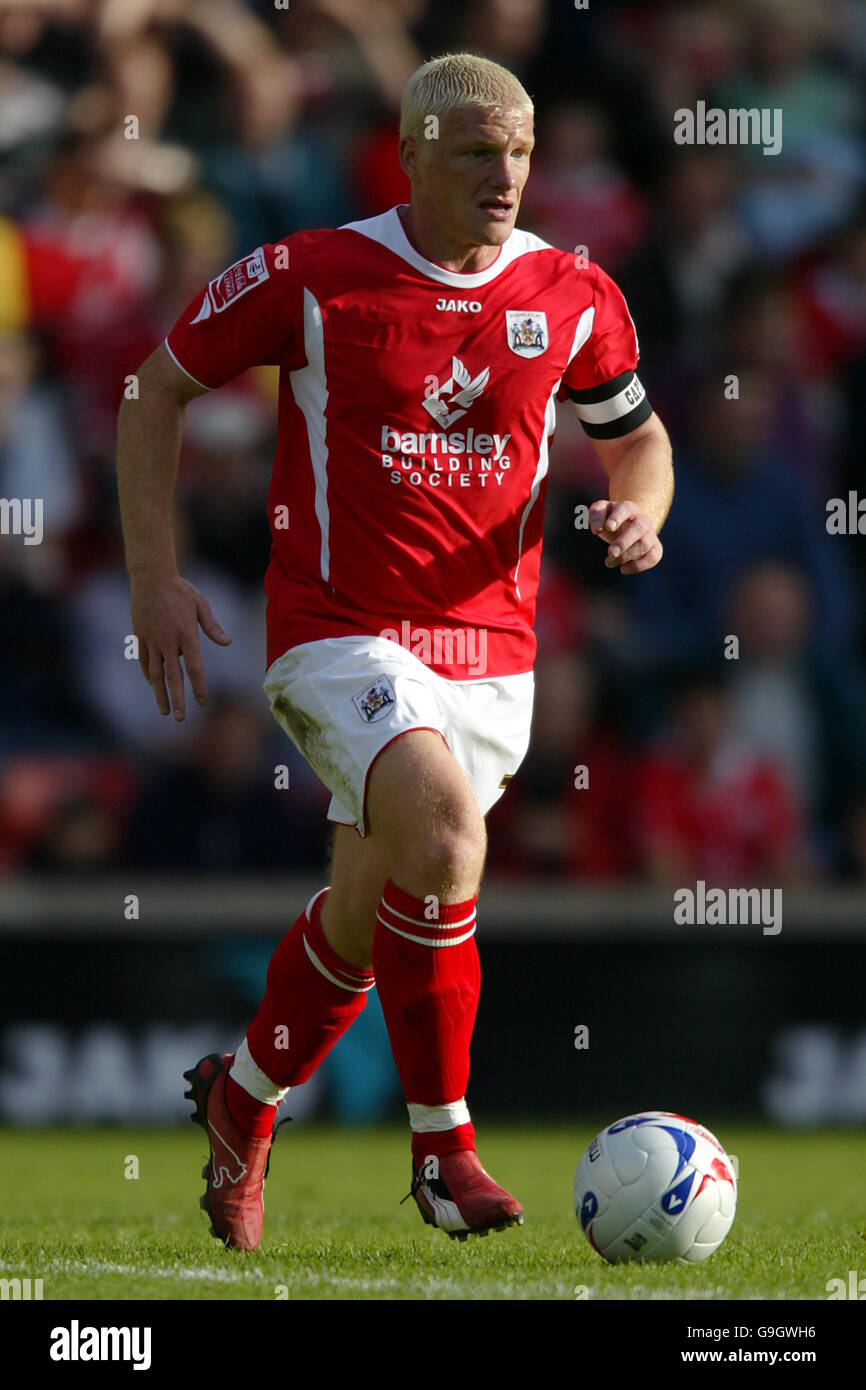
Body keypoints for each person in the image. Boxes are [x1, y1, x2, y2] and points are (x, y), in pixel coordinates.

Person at [116, 52, 673, 1250]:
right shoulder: (315, 275)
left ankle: (241, 1101)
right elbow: (150, 392)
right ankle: (442, 1150)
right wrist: (155, 578)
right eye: (476, 151)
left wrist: (643, 509)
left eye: (519, 150)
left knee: (370, 917)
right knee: (446, 837)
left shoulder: (570, 291)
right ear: (412, 153)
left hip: (494, 658)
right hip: (338, 633)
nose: (505, 174)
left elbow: (639, 440)